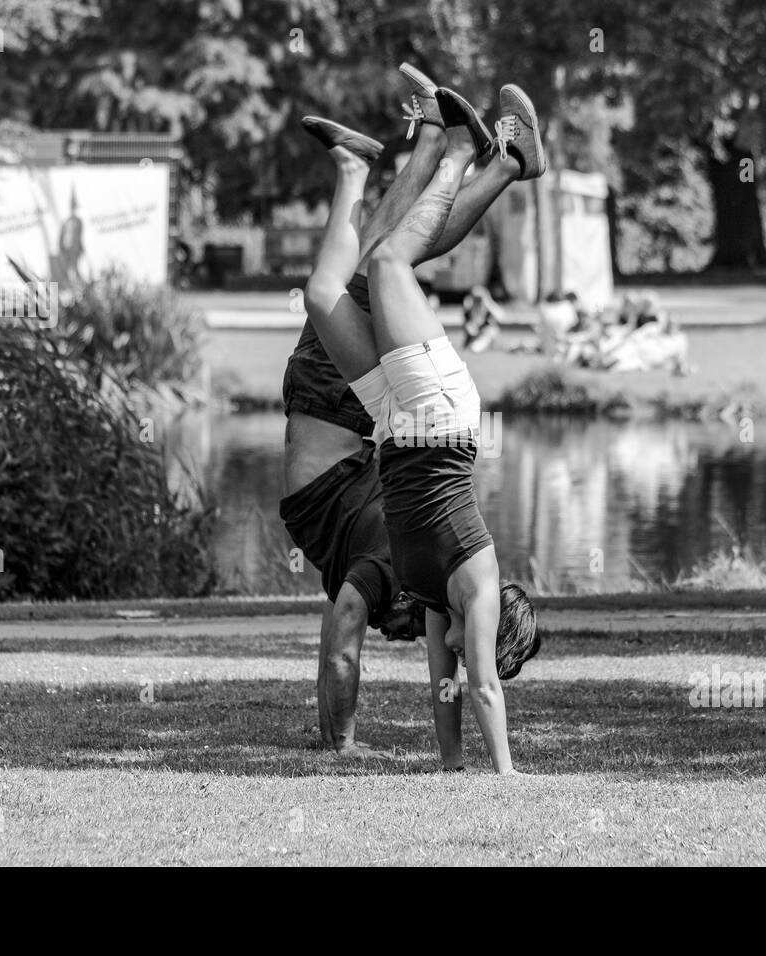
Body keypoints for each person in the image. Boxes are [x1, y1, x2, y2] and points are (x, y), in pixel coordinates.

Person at [301, 75, 543, 775]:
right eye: (475, 651)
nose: (459, 658)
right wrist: (505, 779)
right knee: (389, 263)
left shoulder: (442, 604)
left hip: (390, 425)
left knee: (323, 296)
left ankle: (389, 165)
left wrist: (450, 769)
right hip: (437, 415)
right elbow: (484, 692)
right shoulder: (475, 587)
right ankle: (467, 151)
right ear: (492, 633)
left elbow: (445, 691)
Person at [277, 66, 440, 759]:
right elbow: (344, 636)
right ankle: (449, 153)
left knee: (375, 260)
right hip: (335, 401)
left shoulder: (389, 561)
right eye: (399, 628)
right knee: (380, 262)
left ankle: (361, 165)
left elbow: (340, 629)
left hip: (334, 406)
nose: (389, 631)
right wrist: (340, 742)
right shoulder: (382, 573)